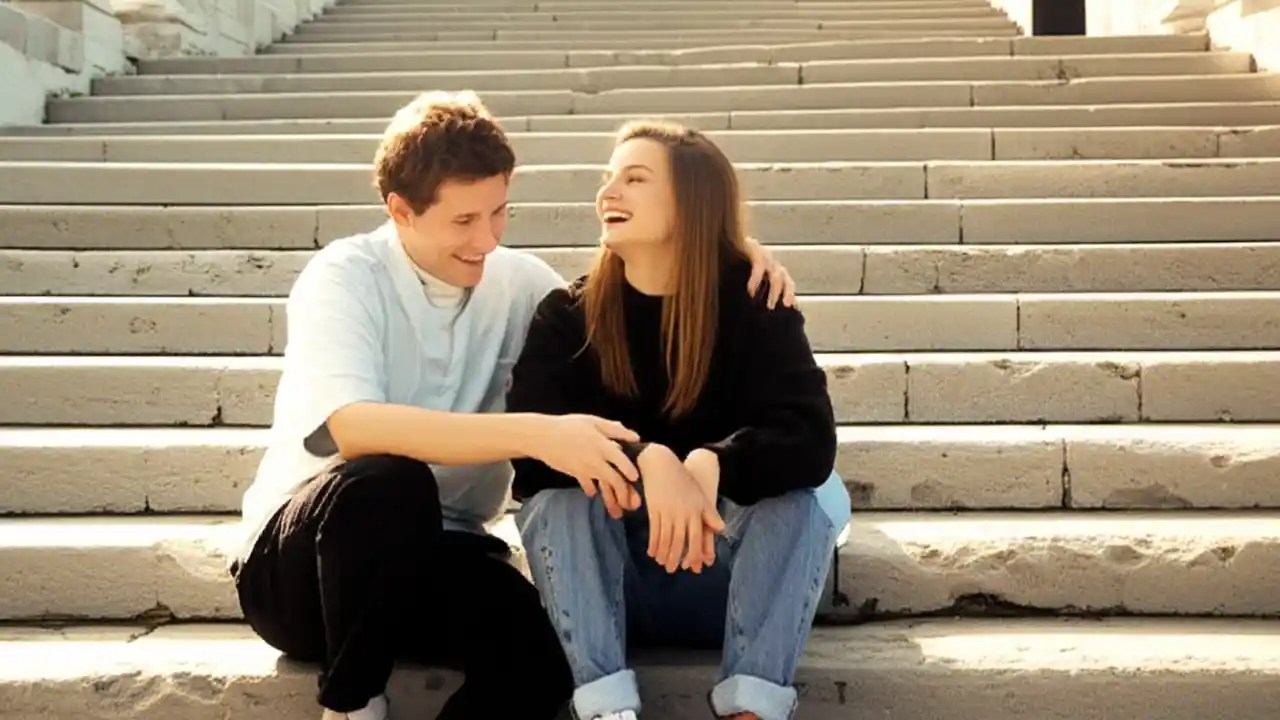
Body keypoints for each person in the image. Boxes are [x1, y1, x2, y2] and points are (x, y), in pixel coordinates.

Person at [228, 91, 799, 720]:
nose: (486, 238)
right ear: (400, 211)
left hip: (441, 558)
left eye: (498, 212)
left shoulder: (523, 284)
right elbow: (355, 429)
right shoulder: (344, 276)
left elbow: (618, 313)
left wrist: (729, 248)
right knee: (390, 480)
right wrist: (532, 434)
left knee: (544, 659)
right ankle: (354, 705)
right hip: (309, 567)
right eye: (464, 221)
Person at [507, 120, 852, 720]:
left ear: (689, 203)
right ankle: (607, 710)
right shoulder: (567, 317)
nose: (607, 193)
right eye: (607, 178)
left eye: (634, 178)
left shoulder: (753, 304)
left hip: (734, 580)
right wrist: (650, 463)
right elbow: (533, 456)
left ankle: (751, 709)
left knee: (805, 498)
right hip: (607, 589)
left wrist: (712, 462)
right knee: (557, 501)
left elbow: (810, 439)